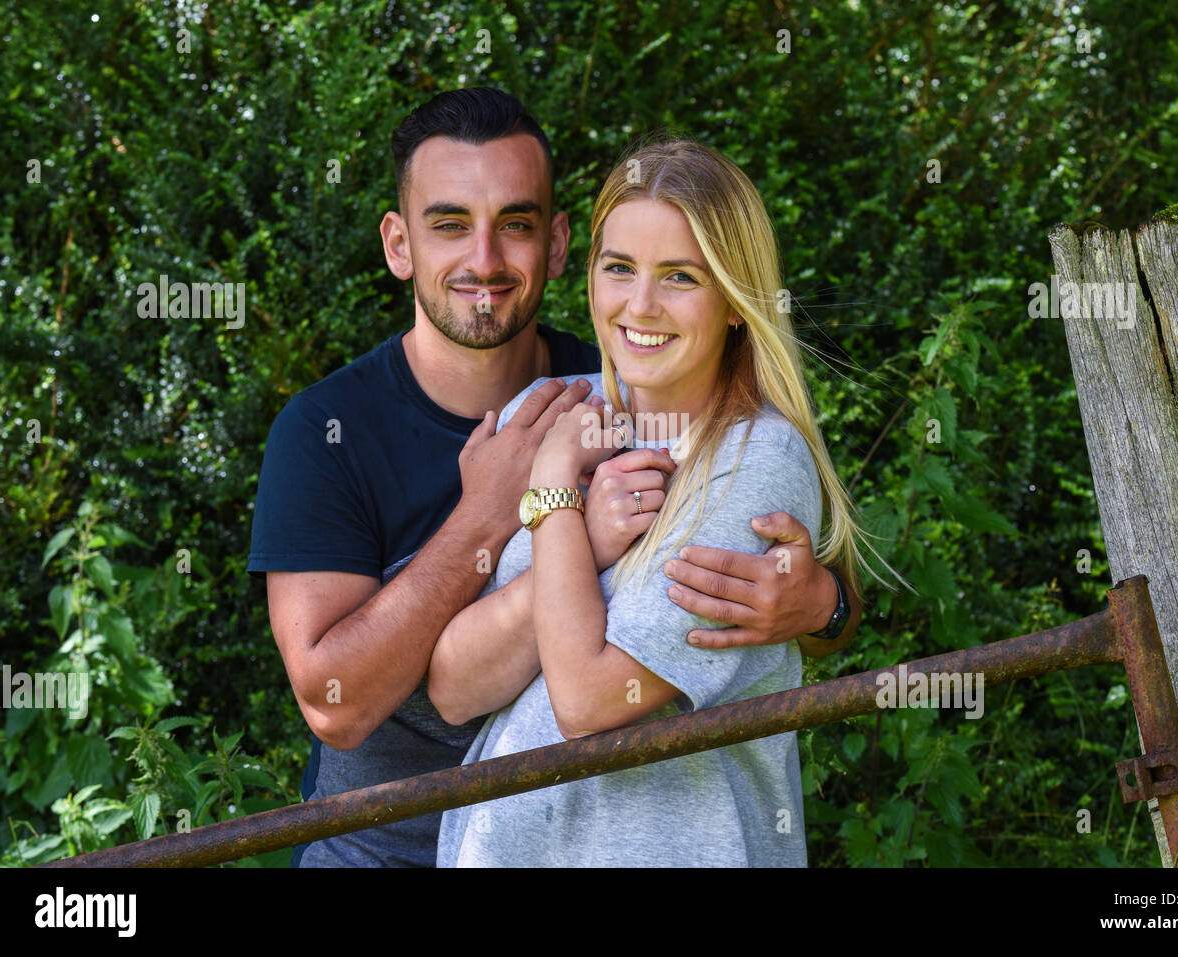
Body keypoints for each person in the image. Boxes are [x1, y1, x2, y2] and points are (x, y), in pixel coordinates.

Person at [247, 88, 861, 867]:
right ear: (399, 244)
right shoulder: (327, 431)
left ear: (559, 244)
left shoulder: (605, 392)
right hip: (380, 848)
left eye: (516, 225)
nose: (484, 260)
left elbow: (783, 553)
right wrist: (499, 513)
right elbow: (339, 700)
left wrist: (824, 602)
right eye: (448, 225)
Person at [433, 136, 880, 867]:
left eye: (680, 277)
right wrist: (580, 531)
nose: (639, 306)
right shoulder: (551, 415)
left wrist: (553, 497)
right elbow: (454, 685)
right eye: (619, 268)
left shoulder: (752, 459)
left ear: (737, 301)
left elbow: (588, 700)